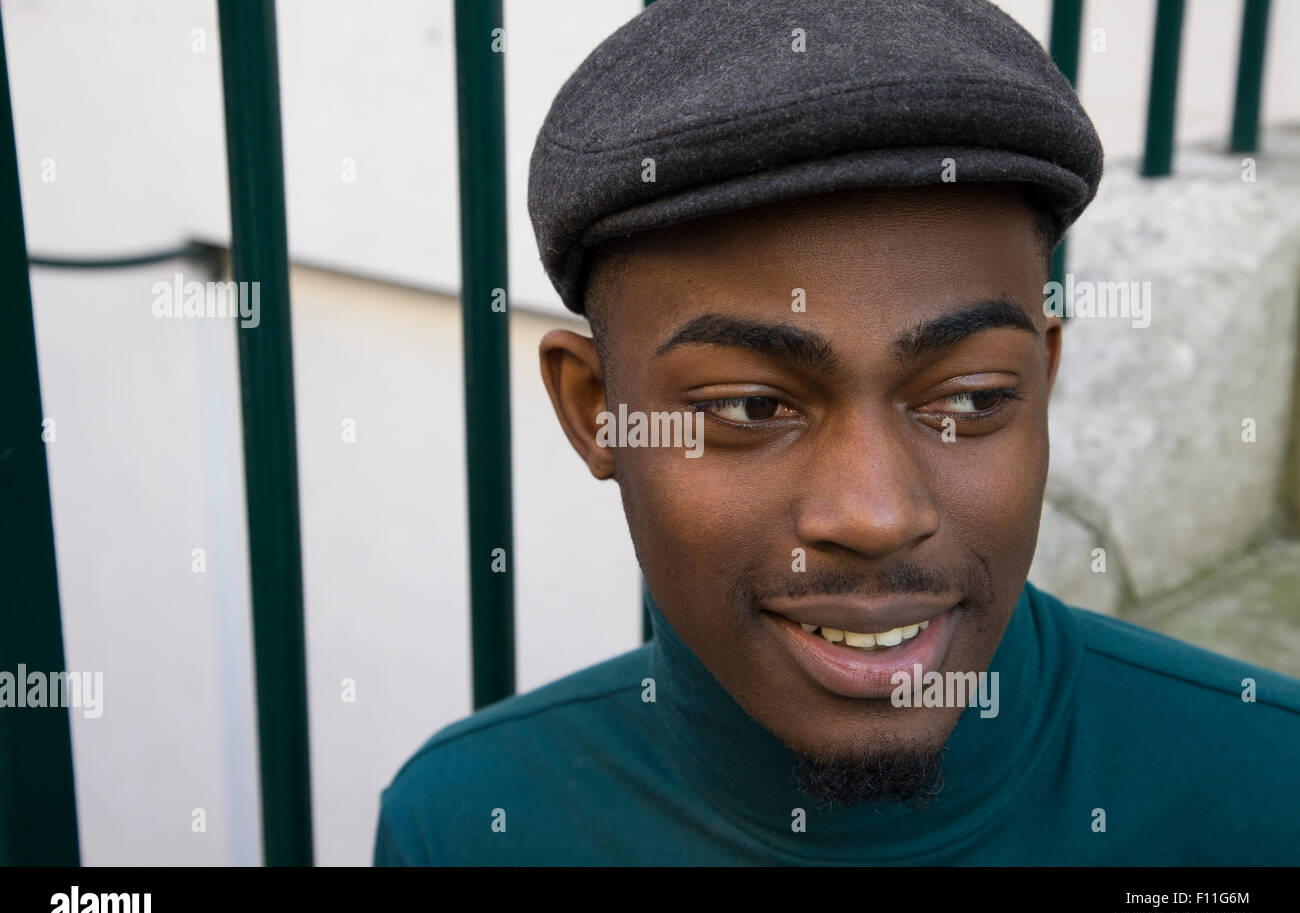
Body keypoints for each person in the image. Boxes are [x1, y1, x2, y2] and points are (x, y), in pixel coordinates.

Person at [374, 0, 1300, 865]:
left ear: (1044, 381)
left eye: (973, 398)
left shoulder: (1263, 789)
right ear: (594, 411)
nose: (876, 514)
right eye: (749, 407)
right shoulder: (470, 825)